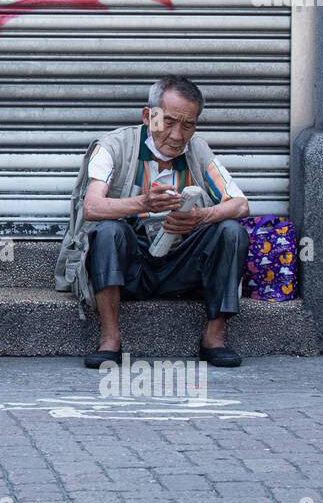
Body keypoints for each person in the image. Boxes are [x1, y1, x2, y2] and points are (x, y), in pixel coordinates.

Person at [54, 75, 250, 368]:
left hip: (179, 266)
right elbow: (92, 207)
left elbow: (240, 203)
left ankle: (214, 337)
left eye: (188, 125)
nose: (177, 135)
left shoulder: (197, 149)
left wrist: (200, 217)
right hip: (132, 267)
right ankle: (110, 338)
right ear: (148, 116)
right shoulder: (112, 146)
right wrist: (142, 203)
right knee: (108, 231)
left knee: (231, 230)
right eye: (168, 122)